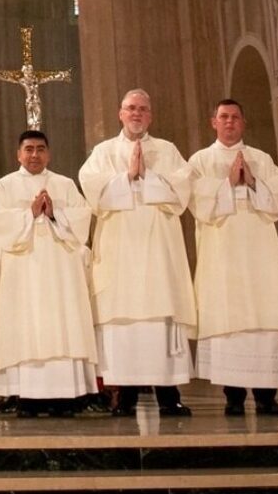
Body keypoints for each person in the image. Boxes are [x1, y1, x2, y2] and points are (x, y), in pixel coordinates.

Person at [77, 89, 196, 417]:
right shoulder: (104, 152)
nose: (137, 114)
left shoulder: (167, 151)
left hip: (159, 250)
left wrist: (148, 177)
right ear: (120, 113)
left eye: (143, 108)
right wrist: (127, 177)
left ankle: (168, 395)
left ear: (151, 115)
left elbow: (181, 194)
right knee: (122, 321)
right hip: (119, 252)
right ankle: (124, 395)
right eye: (131, 108)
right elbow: (93, 193)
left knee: (162, 317)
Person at [188, 99, 278, 415]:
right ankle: (233, 397)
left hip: (260, 254)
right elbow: (195, 200)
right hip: (222, 252)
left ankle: (267, 396)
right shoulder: (200, 160)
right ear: (213, 122)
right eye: (223, 117)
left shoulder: (261, 159)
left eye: (235, 117)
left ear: (244, 122)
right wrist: (227, 183)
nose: (229, 122)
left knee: (264, 316)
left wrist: (251, 181)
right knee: (229, 320)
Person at [0, 130, 96, 418]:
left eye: (40, 149)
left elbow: (82, 220)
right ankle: (27, 397)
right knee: (27, 327)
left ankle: (64, 396)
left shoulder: (64, 184)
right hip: (23, 271)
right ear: (18, 154)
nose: (34, 155)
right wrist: (30, 213)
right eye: (28, 149)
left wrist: (53, 214)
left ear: (48, 153)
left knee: (61, 324)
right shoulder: (6, 185)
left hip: (60, 273)